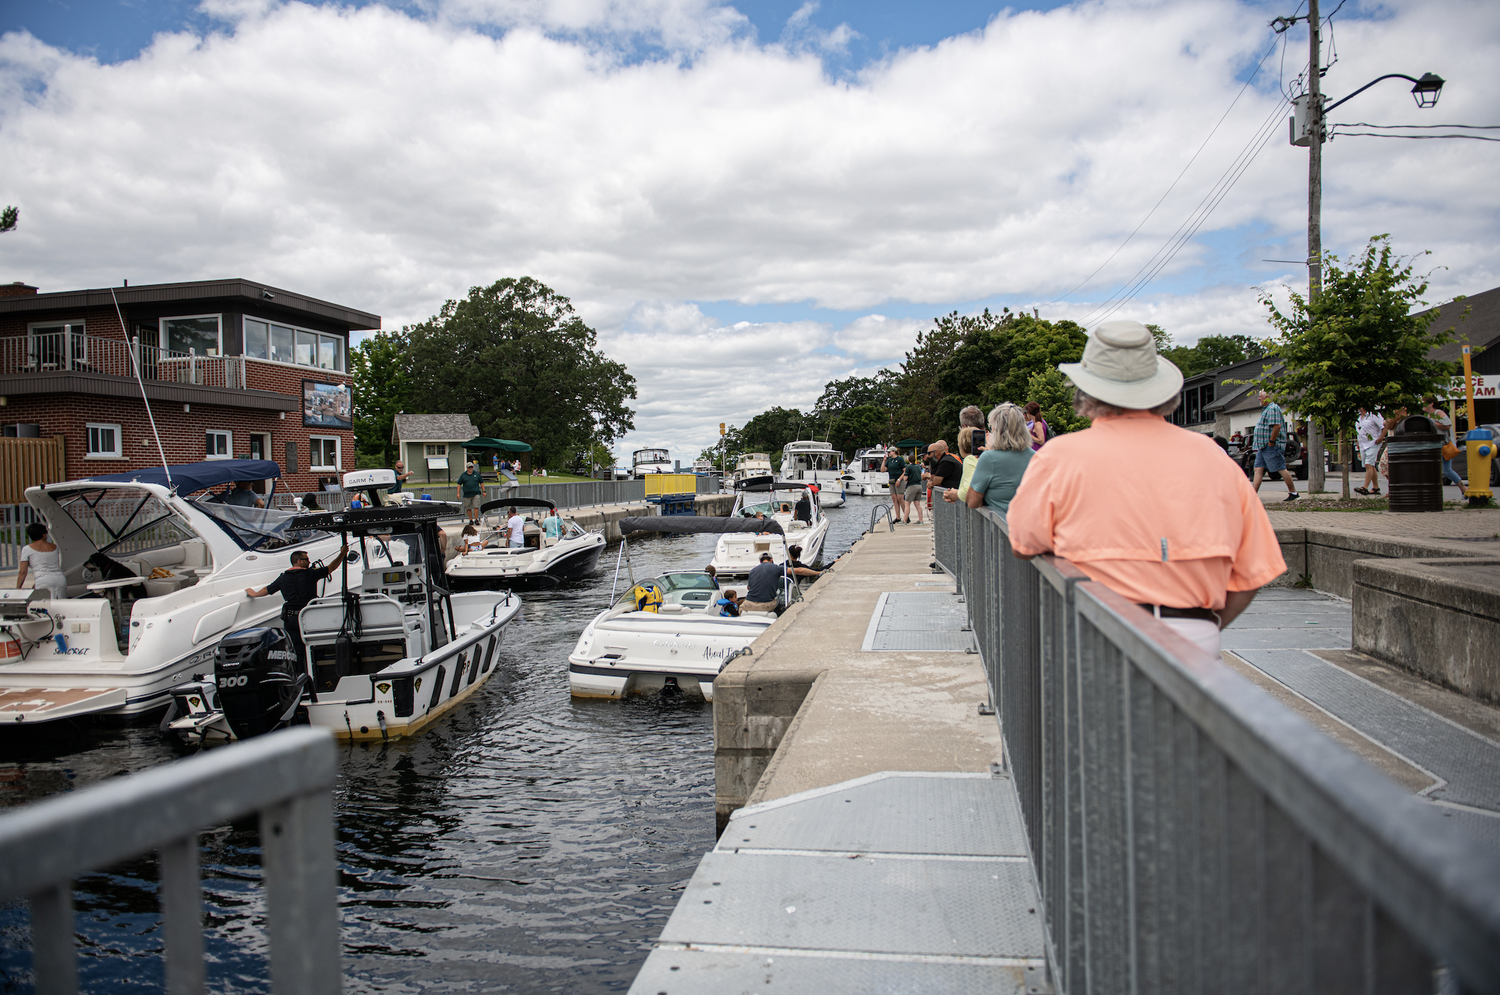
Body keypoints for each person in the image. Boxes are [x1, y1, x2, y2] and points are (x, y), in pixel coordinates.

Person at [1007, 319, 1286, 657]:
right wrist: (1198, 626)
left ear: (1087, 392)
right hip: (1192, 633)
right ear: (1160, 390)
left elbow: (1023, 541)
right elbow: (1254, 571)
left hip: (1094, 629)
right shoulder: (1214, 458)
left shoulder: (1059, 457)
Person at [245, 543, 350, 668]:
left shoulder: (283, 578)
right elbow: (331, 568)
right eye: (306, 560)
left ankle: (301, 674)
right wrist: (342, 553)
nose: (309, 562)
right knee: (313, 645)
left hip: (291, 619)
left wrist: (254, 594)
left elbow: (267, 590)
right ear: (299, 561)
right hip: (307, 617)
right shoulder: (310, 574)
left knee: (297, 650)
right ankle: (315, 671)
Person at [965, 403, 1034, 514]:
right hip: (1031, 525)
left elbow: (972, 502)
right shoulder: (1036, 457)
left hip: (1001, 527)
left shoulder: (989, 458)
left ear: (997, 430)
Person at [1250, 390, 1299, 501]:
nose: (1259, 399)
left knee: (1280, 468)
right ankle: (1253, 495)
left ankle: (1293, 493)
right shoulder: (1266, 410)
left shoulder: (1272, 409)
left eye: (1260, 396)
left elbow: (1277, 426)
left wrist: (1271, 442)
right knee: (1258, 469)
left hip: (1271, 445)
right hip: (1262, 446)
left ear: (1267, 397)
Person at [1423, 395, 1467, 497]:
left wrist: (1432, 423)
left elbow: (1447, 425)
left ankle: (1463, 487)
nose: (1423, 406)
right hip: (1436, 445)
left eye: (1424, 403)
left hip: (1444, 445)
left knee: (1446, 470)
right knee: (1435, 468)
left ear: (1431, 404)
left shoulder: (1438, 413)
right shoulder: (1429, 416)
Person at [16, 523, 67, 599]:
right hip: (60, 579)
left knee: (44, 607)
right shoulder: (55, 547)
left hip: (43, 580)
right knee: (60, 605)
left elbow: (22, 572)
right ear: (43, 534)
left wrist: (17, 589)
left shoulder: (27, 549)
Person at [942, 421, 985, 504]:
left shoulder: (969, 459)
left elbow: (968, 491)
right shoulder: (984, 458)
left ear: (961, 445)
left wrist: (956, 494)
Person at [1354, 405, 1384, 496]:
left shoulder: (1373, 415)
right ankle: (1376, 488)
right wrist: (1358, 443)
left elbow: (1383, 426)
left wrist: (1381, 438)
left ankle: (1365, 487)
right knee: (1371, 466)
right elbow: (1359, 432)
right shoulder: (1359, 418)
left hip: (1373, 442)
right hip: (1363, 444)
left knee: (1369, 464)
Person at [884, 447, 907, 522]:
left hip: (899, 479)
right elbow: (883, 470)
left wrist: (899, 479)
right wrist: (884, 461)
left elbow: (905, 471)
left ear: (894, 452)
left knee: (900, 498)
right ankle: (898, 517)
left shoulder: (900, 459)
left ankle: (906, 516)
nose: (888, 453)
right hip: (891, 480)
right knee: (894, 498)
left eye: (890, 452)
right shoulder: (889, 460)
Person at [902, 455, 925, 524]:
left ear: (909, 460)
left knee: (907, 504)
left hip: (912, 486)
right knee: (917, 504)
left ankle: (905, 520)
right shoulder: (918, 467)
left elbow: (905, 478)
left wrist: (905, 479)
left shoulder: (908, 467)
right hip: (919, 486)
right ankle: (921, 520)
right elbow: (921, 475)